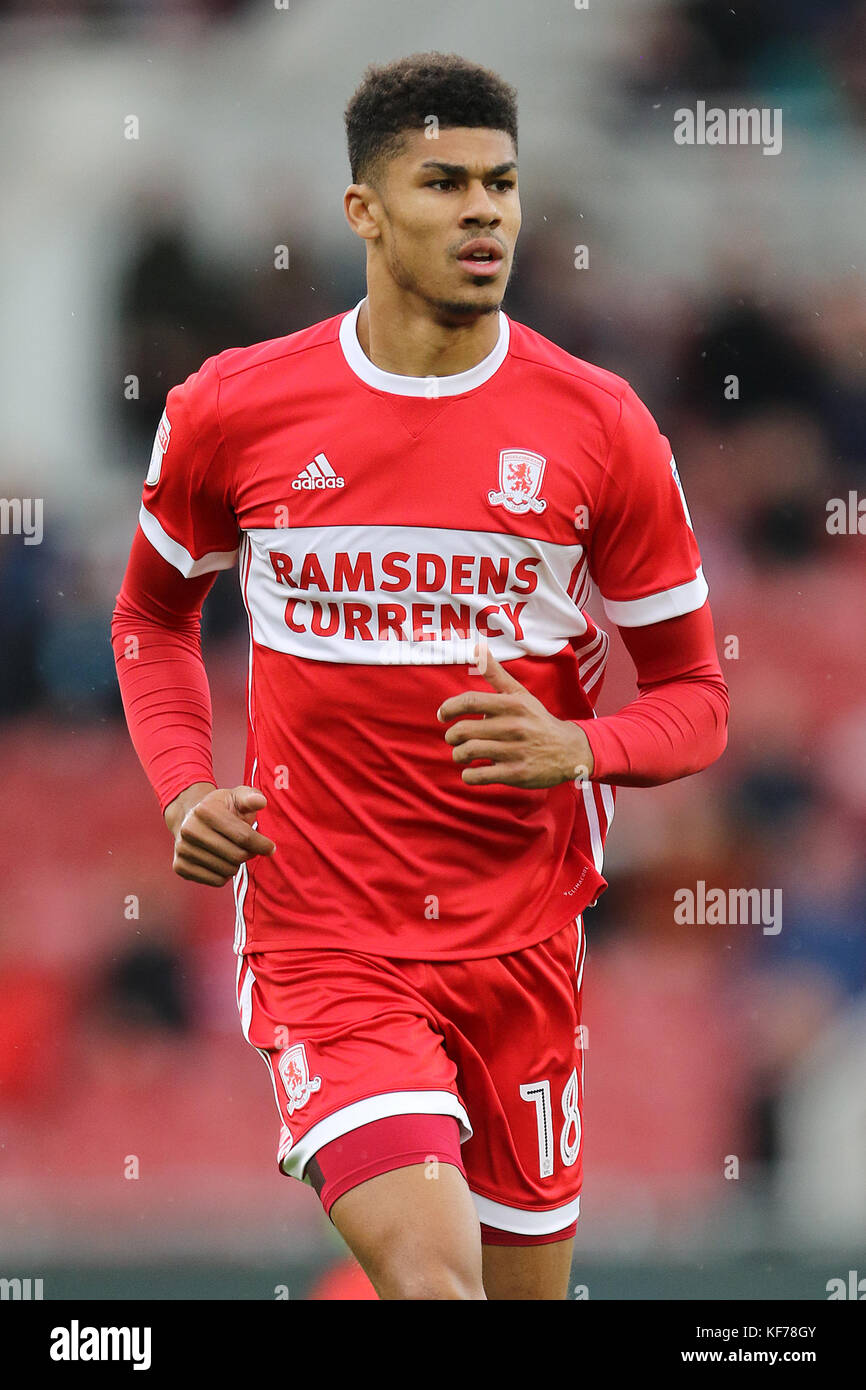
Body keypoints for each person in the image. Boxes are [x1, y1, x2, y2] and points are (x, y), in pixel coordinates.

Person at [111, 52, 729, 1300]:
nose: (484, 210)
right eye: (442, 183)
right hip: (324, 936)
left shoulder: (599, 426)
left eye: (500, 183)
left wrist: (579, 747)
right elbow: (149, 620)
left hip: (523, 948)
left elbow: (698, 700)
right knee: (431, 1279)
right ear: (363, 211)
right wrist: (184, 788)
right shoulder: (236, 409)